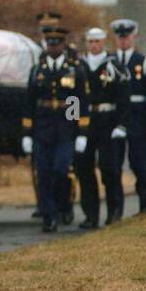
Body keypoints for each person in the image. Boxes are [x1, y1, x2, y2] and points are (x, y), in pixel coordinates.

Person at [22, 22, 90, 232]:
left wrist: (81, 131)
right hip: (42, 129)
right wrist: (27, 132)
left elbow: (79, 100)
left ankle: (64, 205)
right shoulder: (37, 71)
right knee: (43, 173)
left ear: (63, 45)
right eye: (49, 44)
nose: (53, 47)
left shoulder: (74, 70)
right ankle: (48, 216)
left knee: (61, 170)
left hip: (65, 128)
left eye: (57, 44)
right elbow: (30, 103)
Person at [75, 27, 128, 227]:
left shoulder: (114, 65)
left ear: (104, 42)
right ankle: (91, 215)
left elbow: (123, 97)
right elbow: (73, 98)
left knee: (109, 169)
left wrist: (122, 124)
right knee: (84, 170)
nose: (93, 45)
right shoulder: (79, 66)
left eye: (97, 41)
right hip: (86, 123)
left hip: (108, 120)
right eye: (90, 42)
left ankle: (114, 211)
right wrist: (75, 127)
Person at [109, 18, 146, 214]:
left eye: (127, 37)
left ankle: (143, 202)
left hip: (139, 120)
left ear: (134, 37)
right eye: (120, 38)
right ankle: (116, 209)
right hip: (116, 120)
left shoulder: (143, 61)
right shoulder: (110, 62)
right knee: (114, 167)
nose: (123, 41)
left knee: (139, 164)